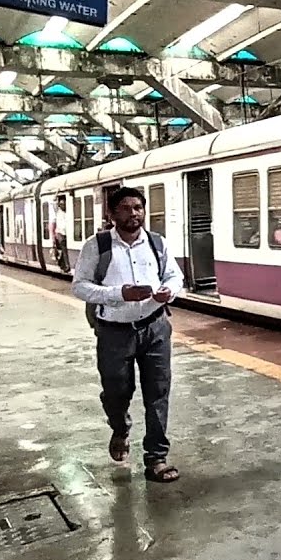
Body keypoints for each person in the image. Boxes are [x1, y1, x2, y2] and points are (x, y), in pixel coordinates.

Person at [72, 187, 185, 483]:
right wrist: (119, 294)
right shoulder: (97, 246)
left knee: (158, 393)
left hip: (155, 326)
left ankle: (156, 457)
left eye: (138, 207)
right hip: (114, 332)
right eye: (125, 208)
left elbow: (175, 276)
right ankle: (120, 428)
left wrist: (168, 292)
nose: (133, 213)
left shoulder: (157, 243)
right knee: (117, 392)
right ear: (111, 214)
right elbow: (80, 286)